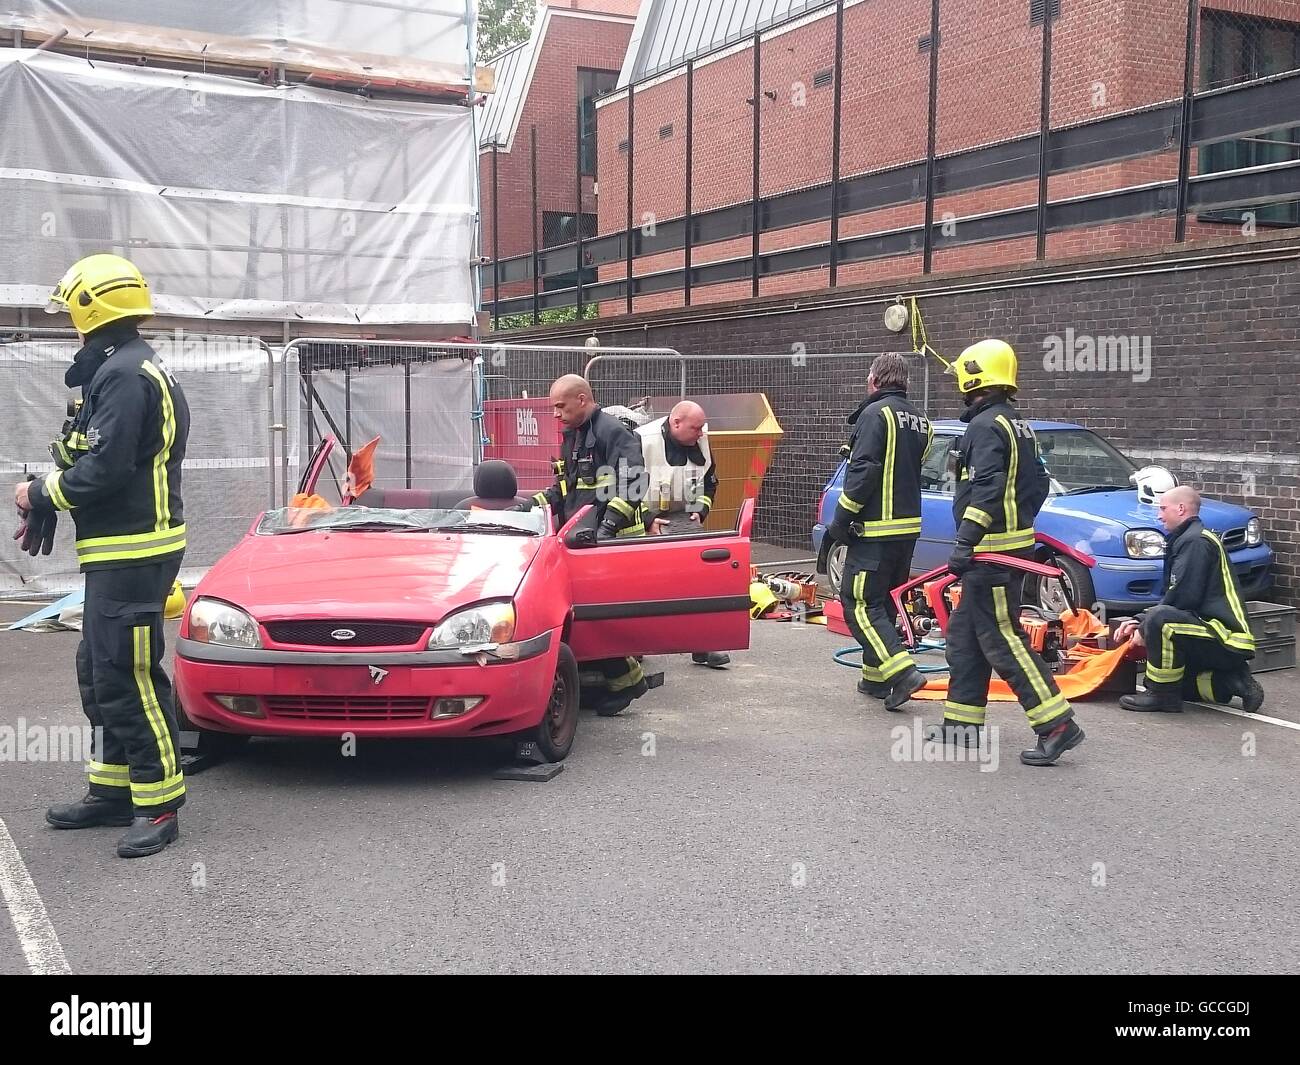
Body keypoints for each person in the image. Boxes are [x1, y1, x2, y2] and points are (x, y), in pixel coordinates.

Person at [18, 254, 191, 856]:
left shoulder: (124, 374)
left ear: (91, 306)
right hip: (118, 553)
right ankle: (114, 790)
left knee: (127, 675)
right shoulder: (119, 368)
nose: (66, 318)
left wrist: (38, 493)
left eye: (70, 307)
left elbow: (107, 469)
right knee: (99, 672)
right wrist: (49, 491)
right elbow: (84, 451)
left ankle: (160, 802)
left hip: (135, 553)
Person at [927, 339, 1085, 767]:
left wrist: (968, 540)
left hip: (990, 555)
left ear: (973, 376)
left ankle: (1056, 725)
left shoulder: (984, 427)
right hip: (1005, 549)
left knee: (1002, 639)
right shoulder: (1019, 425)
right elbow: (1036, 486)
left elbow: (987, 488)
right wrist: (1016, 530)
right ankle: (962, 726)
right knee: (964, 639)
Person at [524, 375, 650, 715]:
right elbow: (566, 489)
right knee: (586, 617)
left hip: (615, 542)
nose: (554, 414)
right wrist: (529, 507)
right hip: (583, 540)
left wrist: (609, 525)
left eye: (560, 406)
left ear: (582, 399)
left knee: (594, 618)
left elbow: (635, 483)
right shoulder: (574, 436)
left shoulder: (613, 432)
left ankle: (626, 681)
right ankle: (624, 680)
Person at [825, 353, 931, 709]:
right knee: (883, 604)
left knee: (858, 603)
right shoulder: (920, 421)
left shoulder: (875, 414)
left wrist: (840, 521)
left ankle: (902, 673)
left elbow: (864, 469)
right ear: (905, 382)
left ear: (874, 379)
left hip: (874, 531)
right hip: (907, 530)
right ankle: (875, 679)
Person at [1114, 486, 1263, 713]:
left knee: (1159, 620)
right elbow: (1176, 595)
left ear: (1181, 509)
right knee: (1178, 682)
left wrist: (1144, 626)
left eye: (1163, 509)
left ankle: (1162, 696)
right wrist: (1139, 619)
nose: (1159, 515)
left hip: (1225, 636)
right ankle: (1234, 682)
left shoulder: (1195, 542)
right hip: (1213, 634)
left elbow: (1184, 597)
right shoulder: (1189, 538)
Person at [636, 400, 728, 669]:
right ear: (676, 423)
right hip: (645, 519)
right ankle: (634, 645)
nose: (701, 434)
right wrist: (648, 520)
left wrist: (700, 511)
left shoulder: (701, 439)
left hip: (684, 519)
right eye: (695, 428)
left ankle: (703, 644)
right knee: (643, 587)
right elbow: (624, 484)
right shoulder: (643, 440)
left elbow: (710, 483)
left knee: (700, 583)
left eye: (701, 428)